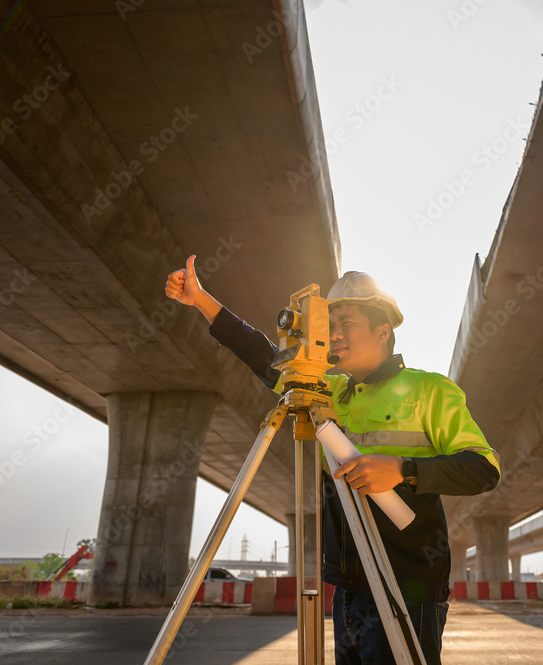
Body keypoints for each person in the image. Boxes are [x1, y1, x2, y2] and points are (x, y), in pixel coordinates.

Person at [164, 255, 500, 664]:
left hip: (406, 586)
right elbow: (265, 356)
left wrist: (402, 469)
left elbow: (483, 470)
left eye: (347, 323)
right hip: (348, 589)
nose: (335, 334)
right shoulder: (328, 391)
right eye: (330, 323)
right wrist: (202, 301)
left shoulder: (431, 390)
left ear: (383, 329)